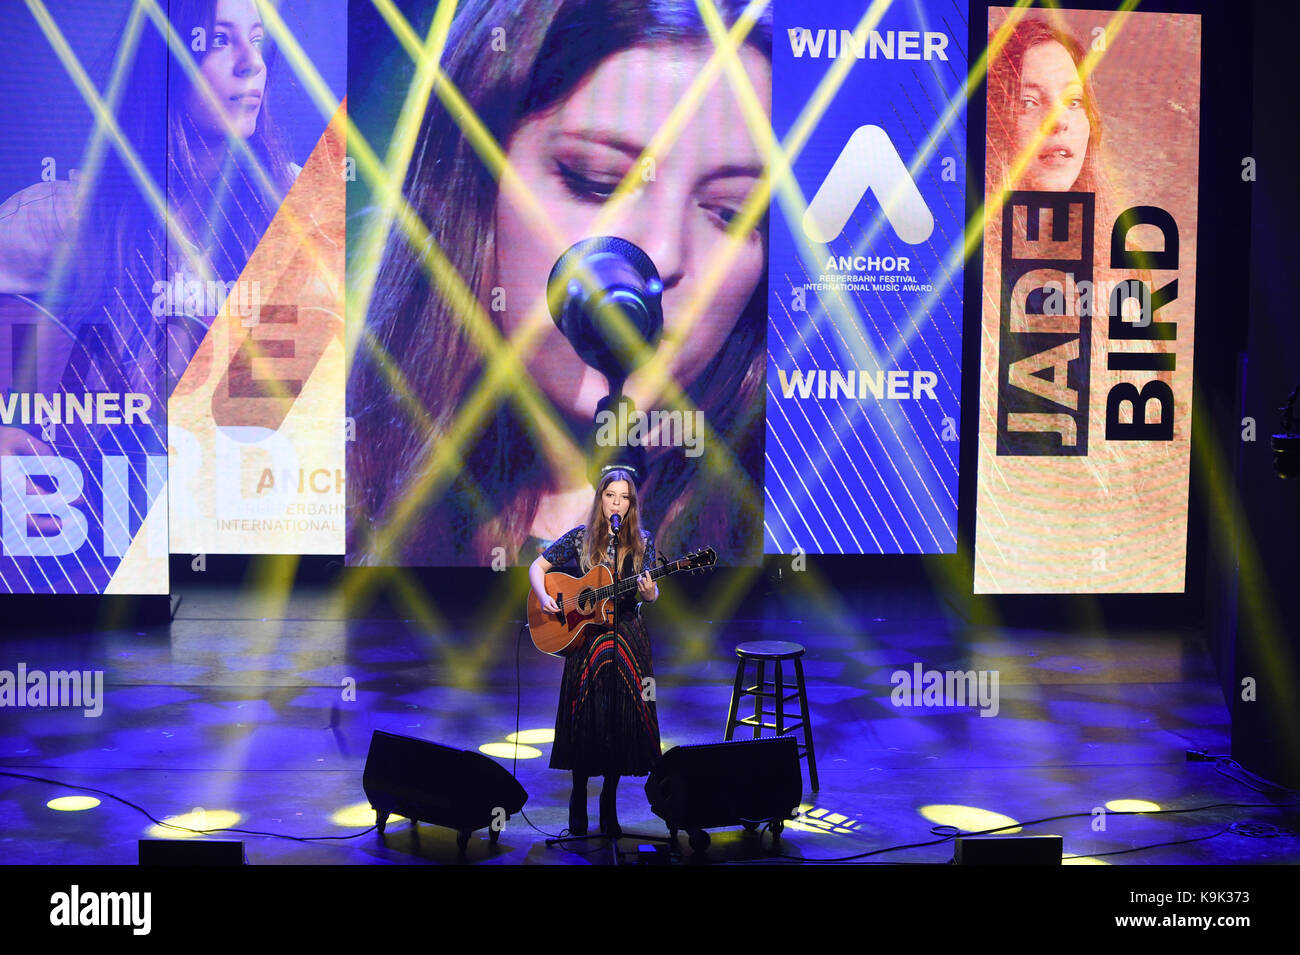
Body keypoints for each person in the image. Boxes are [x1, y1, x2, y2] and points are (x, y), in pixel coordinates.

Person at [348, 0, 771, 568]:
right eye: (596, 182)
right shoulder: (317, 498)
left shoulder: (806, 532)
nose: (663, 256)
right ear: (472, 184)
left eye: (731, 212)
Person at [0, 0, 298, 544]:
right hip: (106, 540)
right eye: (217, 40)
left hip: (255, 537)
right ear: (165, 60)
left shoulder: (301, 209)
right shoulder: (71, 216)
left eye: (256, 38)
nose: (250, 62)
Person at [528, 468, 660, 837]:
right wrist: (544, 597)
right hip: (587, 640)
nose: (616, 503)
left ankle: (609, 801)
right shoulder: (580, 540)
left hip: (626, 636)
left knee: (619, 720)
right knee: (586, 718)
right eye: (610, 496)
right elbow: (537, 568)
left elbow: (649, 592)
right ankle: (578, 795)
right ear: (600, 498)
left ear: (631, 504)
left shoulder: (643, 543)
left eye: (624, 497)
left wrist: (650, 593)